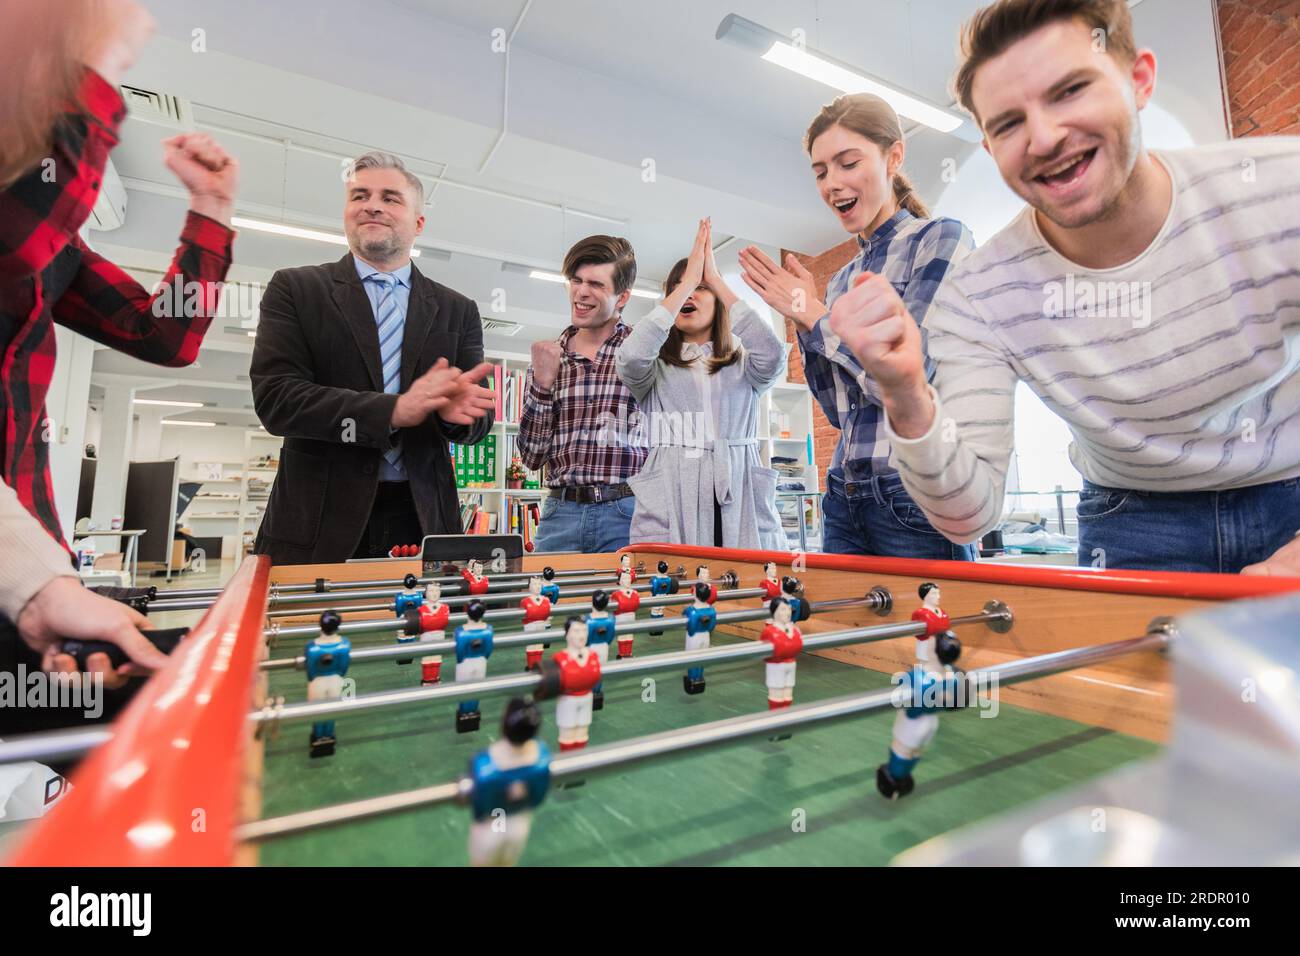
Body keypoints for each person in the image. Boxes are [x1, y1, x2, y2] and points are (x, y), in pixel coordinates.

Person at [827, 0, 1300, 575]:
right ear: (990, 148)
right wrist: (903, 391)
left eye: (1070, 90)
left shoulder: (1279, 192)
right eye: (1007, 123)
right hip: (1129, 517)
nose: (1045, 138)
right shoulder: (979, 293)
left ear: (1139, 80)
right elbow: (969, 517)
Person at [0, 0, 239, 726]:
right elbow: (16, 237)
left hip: (25, 566)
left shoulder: (55, 252)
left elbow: (165, 336)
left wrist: (212, 209)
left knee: (155, 718)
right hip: (26, 573)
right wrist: (89, 61)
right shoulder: (31, 227)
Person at [740, 94, 977, 561]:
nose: (833, 183)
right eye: (821, 171)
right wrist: (806, 326)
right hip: (844, 494)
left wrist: (814, 315)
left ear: (894, 157)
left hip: (913, 493)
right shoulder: (845, 277)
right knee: (849, 635)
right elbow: (839, 410)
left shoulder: (941, 240)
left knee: (922, 634)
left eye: (848, 163)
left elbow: (909, 381)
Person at [251, 152, 495, 563]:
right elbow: (278, 401)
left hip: (423, 519)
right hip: (318, 518)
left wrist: (460, 416)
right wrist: (394, 410)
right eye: (359, 195)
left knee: (426, 626)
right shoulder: (295, 289)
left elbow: (479, 421)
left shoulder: (458, 309)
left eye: (391, 197)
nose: (372, 205)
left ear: (419, 223)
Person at [617, 219, 786, 549]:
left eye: (699, 287)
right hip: (674, 494)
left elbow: (774, 354)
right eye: (678, 288)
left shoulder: (743, 365)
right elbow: (629, 359)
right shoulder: (655, 369)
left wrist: (717, 281)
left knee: (746, 591)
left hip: (738, 488)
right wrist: (689, 282)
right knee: (676, 590)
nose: (688, 293)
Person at [517, 236, 646, 552]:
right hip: (561, 515)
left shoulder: (643, 353)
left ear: (622, 296)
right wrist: (542, 386)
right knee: (548, 601)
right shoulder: (548, 358)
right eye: (576, 281)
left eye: (596, 284)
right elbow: (532, 458)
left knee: (632, 601)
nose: (582, 292)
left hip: (628, 513)